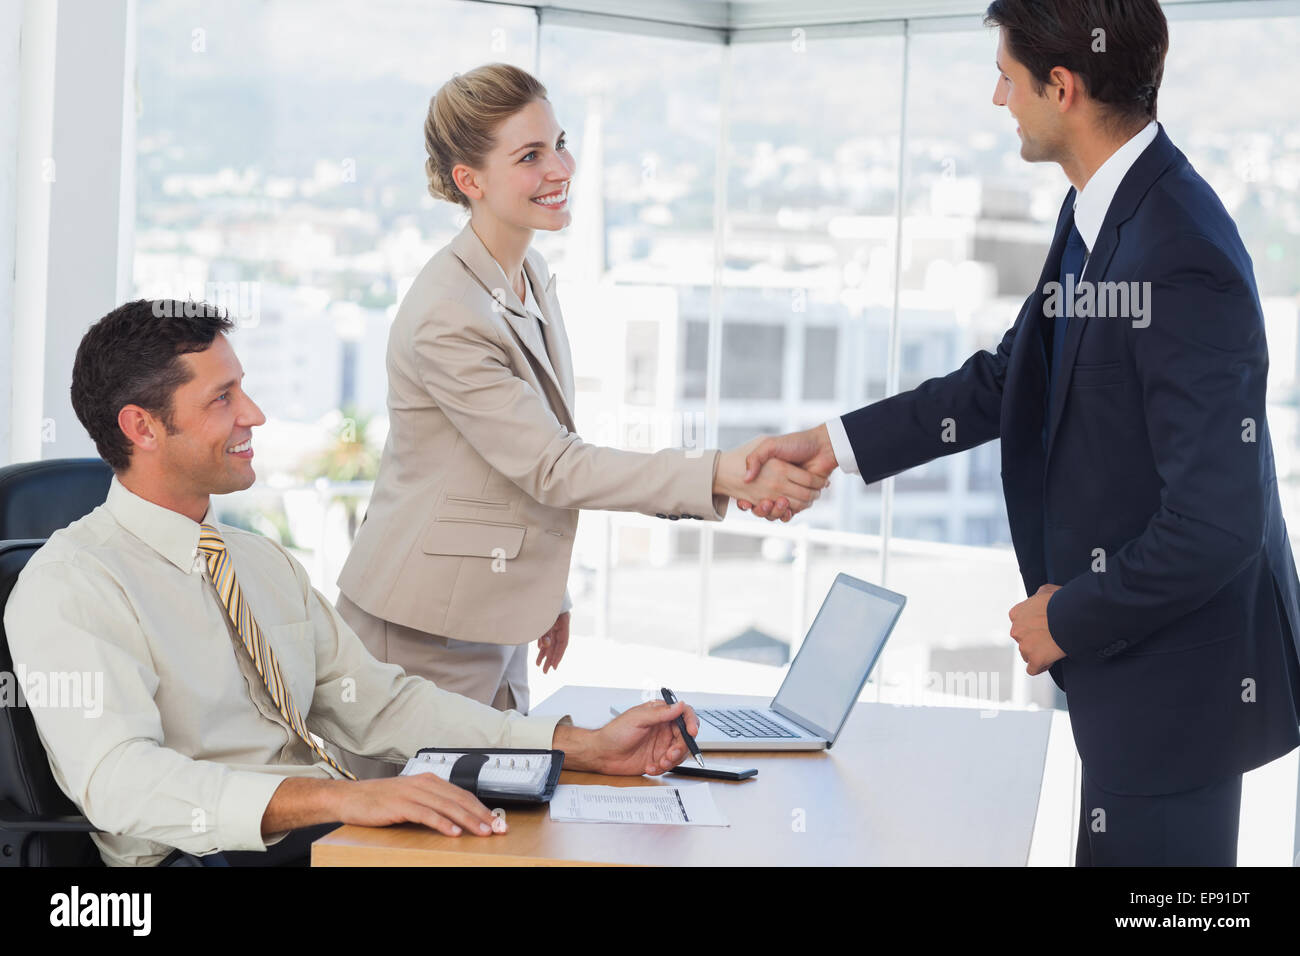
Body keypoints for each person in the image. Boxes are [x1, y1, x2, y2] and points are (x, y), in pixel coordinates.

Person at [738, 0, 1300, 866]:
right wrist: (838, 443)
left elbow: (1216, 524)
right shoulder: (1103, 209)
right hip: (1131, 685)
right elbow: (1014, 380)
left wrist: (1069, 617)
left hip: (1174, 694)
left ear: (1062, 88)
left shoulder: (1179, 249)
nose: (999, 99)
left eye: (1007, 78)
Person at [4, 299, 704, 867]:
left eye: (243, 388)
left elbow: (384, 706)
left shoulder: (258, 563)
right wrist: (338, 800)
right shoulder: (69, 587)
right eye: (223, 398)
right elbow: (122, 785)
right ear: (142, 427)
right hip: (202, 859)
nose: (254, 415)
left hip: (327, 837)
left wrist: (582, 744)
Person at [334, 62, 825, 754]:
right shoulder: (448, 313)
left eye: (558, 143)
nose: (560, 167)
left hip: (486, 609)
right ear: (469, 180)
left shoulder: (525, 272)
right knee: (411, 843)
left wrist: (544, 592)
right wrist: (722, 472)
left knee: (495, 825)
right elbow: (552, 464)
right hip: (423, 627)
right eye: (529, 156)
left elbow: (511, 459)